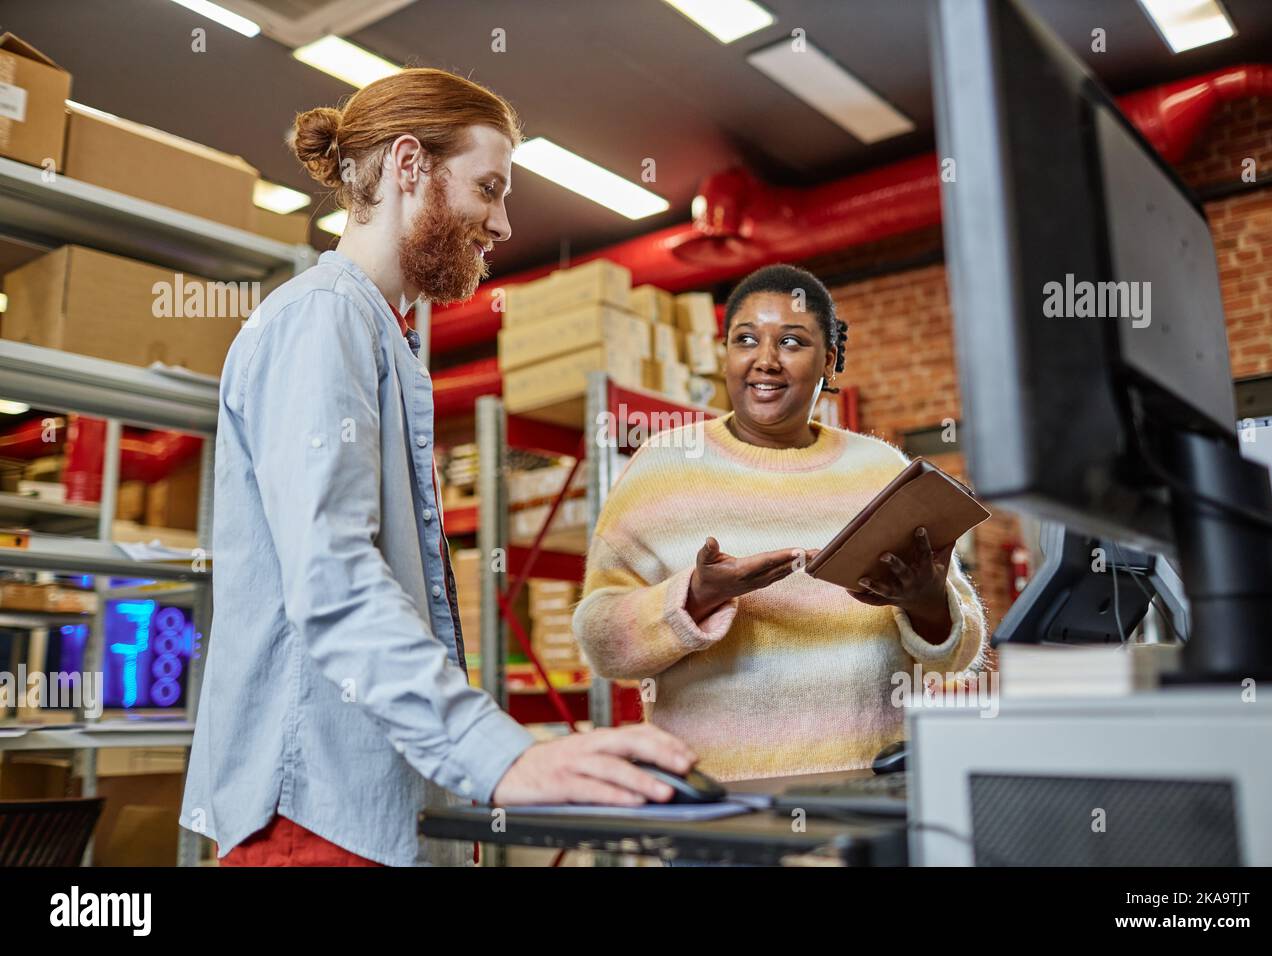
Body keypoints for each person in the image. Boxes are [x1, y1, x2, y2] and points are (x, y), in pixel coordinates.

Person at [180, 67, 695, 868]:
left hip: (366, 807)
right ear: (410, 165)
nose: (502, 222)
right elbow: (334, 581)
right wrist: (501, 757)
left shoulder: (383, 336)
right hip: (316, 814)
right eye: (489, 188)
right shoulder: (323, 320)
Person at [573, 264, 991, 782]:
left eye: (791, 342)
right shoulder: (662, 466)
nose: (764, 361)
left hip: (872, 795)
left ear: (829, 362)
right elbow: (599, 640)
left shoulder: (881, 470)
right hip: (720, 810)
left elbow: (962, 651)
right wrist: (694, 599)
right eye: (745, 339)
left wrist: (926, 602)